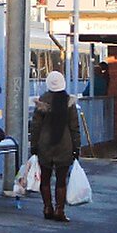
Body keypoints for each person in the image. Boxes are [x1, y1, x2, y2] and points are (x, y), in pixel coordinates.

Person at [30, 70, 81, 222]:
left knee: (45, 179)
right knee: (61, 180)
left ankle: (47, 208)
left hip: (45, 145)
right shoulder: (69, 102)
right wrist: (76, 147)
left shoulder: (41, 102)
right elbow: (74, 127)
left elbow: (35, 127)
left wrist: (34, 145)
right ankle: (60, 210)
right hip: (64, 145)